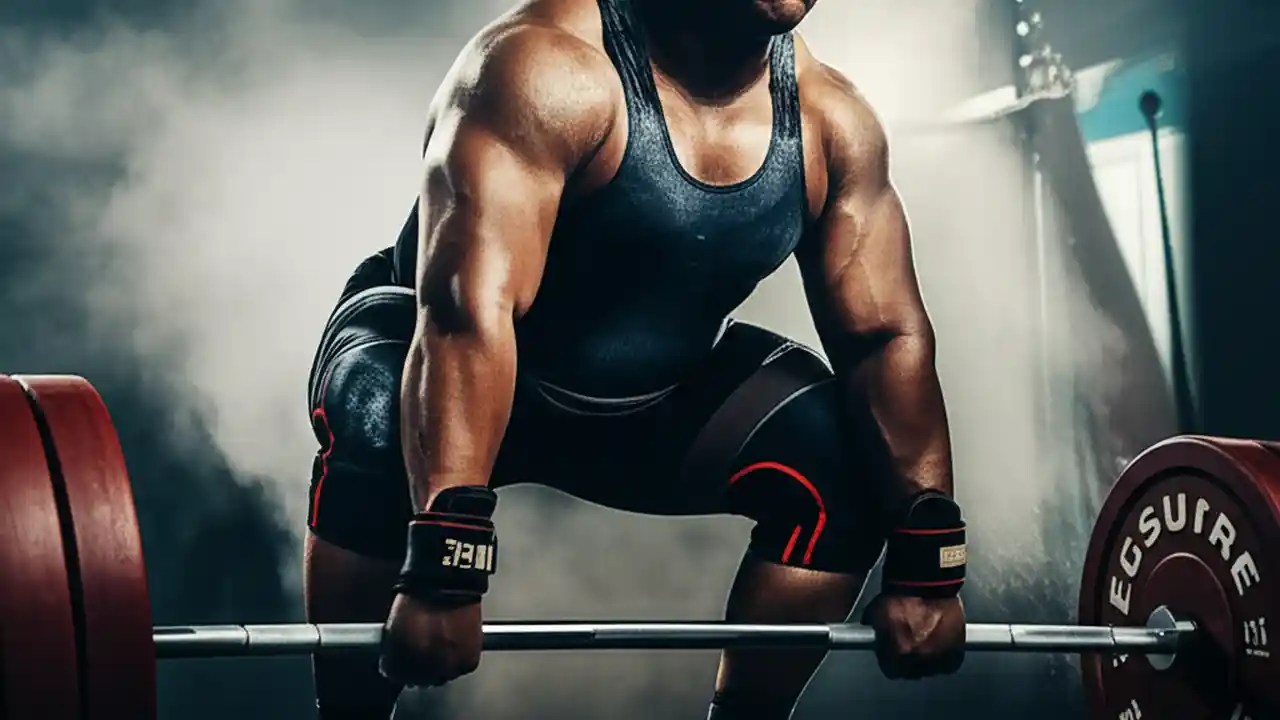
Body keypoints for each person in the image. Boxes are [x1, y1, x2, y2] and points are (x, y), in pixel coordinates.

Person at [303, 0, 967, 717]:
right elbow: (468, 316)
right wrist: (444, 567)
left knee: (846, 455)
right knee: (374, 399)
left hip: (644, 400)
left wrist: (928, 567)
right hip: (451, 378)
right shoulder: (544, 70)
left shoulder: (831, 121)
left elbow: (884, 339)